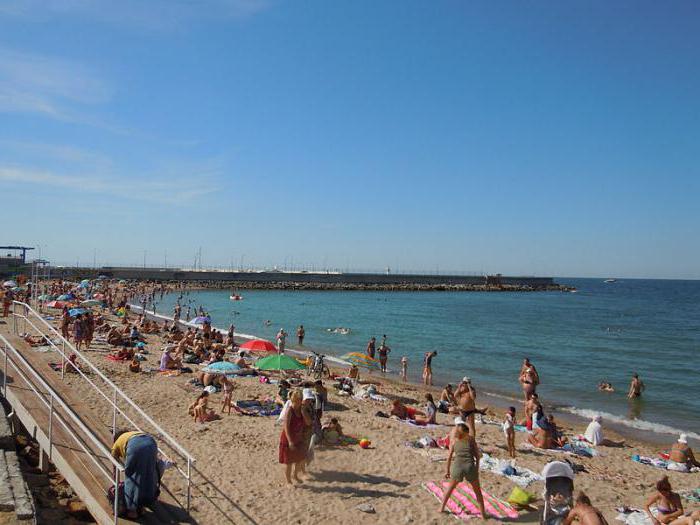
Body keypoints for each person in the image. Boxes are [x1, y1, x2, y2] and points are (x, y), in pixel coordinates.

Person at [439, 417, 486, 518]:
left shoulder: (453, 441)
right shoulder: (471, 439)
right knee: (478, 493)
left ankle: (441, 508)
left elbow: (449, 457)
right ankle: (483, 515)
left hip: (457, 467)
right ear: (466, 432)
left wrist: (447, 471)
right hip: (470, 467)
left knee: (450, 489)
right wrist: (476, 470)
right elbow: (477, 456)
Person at [111, 430, 160, 519]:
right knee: (147, 475)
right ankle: (142, 506)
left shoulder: (117, 443)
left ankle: (132, 511)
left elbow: (114, 463)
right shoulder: (132, 433)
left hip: (135, 446)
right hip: (151, 443)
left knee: (132, 477)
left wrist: (116, 483)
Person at [279, 390, 309, 484]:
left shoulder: (302, 410)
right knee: (289, 463)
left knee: (299, 459)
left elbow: (308, 423)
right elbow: (286, 427)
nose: (298, 403)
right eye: (297, 401)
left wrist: (304, 413)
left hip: (298, 438)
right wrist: (290, 441)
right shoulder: (290, 410)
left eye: (300, 400)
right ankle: (288, 481)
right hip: (289, 439)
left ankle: (295, 476)